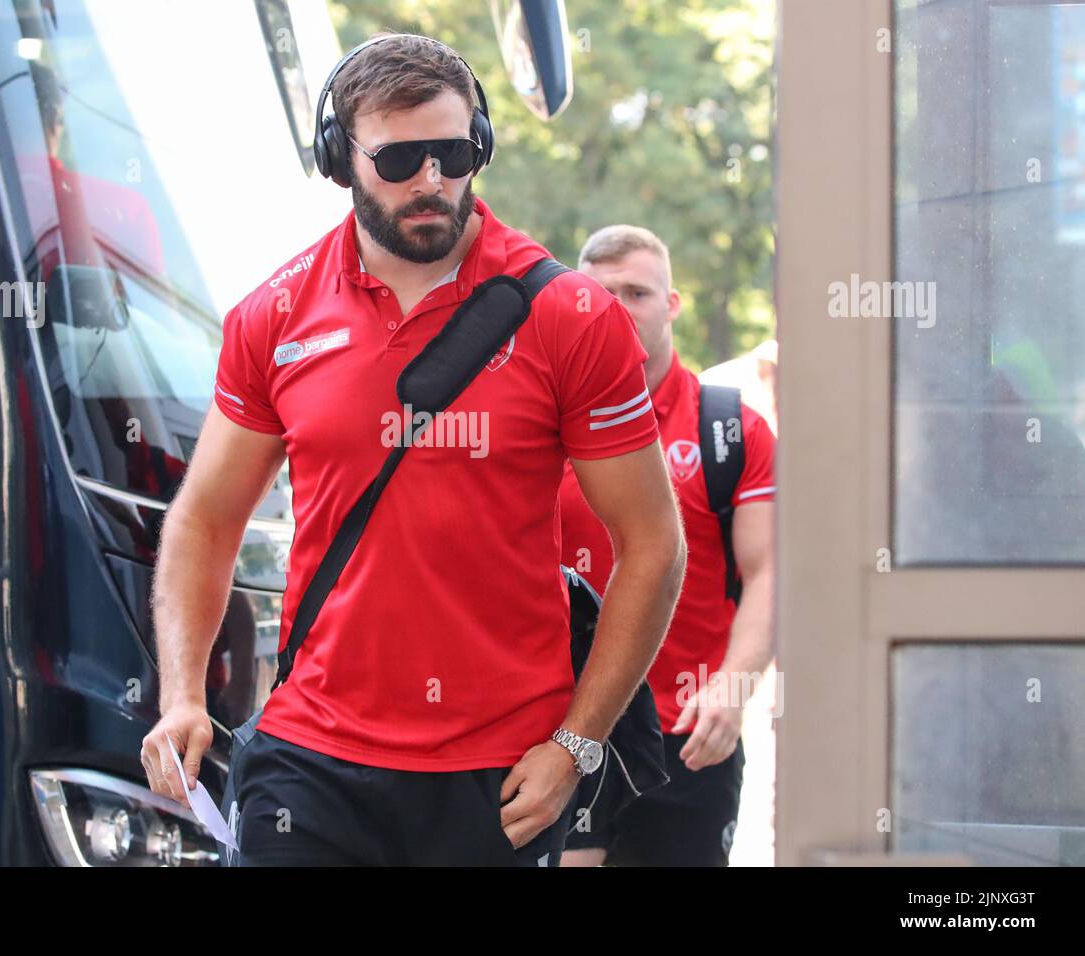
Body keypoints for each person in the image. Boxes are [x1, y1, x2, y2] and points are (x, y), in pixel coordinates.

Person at [140, 34, 686, 866]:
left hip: (499, 776)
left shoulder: (570, 315)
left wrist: (578, 745)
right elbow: (206, 520)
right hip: (310, 759)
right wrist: (182, 696)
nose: (432, 180)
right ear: (339, 159)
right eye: (399, 159)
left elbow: (652, 544)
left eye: (453, 152)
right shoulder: (273, 315)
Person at [558, 225, 776, 867]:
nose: (618, 308)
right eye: (601, 294)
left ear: (672, 303)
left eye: (637, 292)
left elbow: (768, 572)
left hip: (688, 735)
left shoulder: (729, 429)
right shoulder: (540, 423)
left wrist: (733, 688)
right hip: (561, 733)